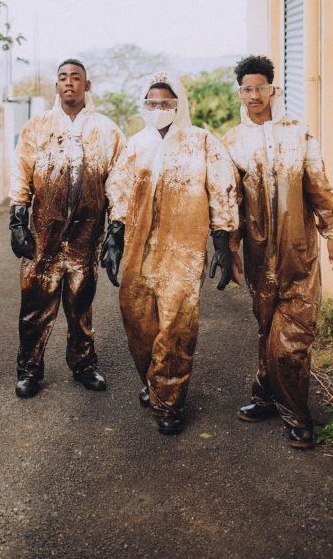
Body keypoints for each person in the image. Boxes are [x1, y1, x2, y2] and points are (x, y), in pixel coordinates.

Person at [103, 70, 238, 435]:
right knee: (137, 321)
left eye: (166, 103)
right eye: (152, 103)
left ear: (179, 105)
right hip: (138, 250)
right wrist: (114, 236)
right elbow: (118, 188)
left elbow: (223, 190)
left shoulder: (202, 142)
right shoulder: (136, 144)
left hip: (184, 250)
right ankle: (153, 380)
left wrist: (223, 243)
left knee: (177, 328)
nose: (158, 108)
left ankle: (169, 402)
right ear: (143, 106)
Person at [222, 55, 333, 449]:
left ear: (273, 88)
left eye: (261, 87)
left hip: (298, 251)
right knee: (268, 328)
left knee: (294, 337)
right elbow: (230, 200)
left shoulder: (298, 132)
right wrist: (231, 247)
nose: (254, 95)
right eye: (247, 88)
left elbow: (318, 185)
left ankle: (297, 416)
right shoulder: (232, 141)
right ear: (240, 93)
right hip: (259, 255)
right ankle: (265, 396)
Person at [9, 57, 125, 398]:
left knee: (81, 302)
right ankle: (29, 370)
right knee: (34, 304)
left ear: (87, 86)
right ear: (56, 86)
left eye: (76, 77)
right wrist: (18, 218)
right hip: (43, 233)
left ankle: (84, 364)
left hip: (86, 235)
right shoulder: (37, 126)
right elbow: (21, 171)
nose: (69, 82)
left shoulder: (107, 130)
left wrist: (117, 228)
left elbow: (120, 180)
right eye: (63, 78)